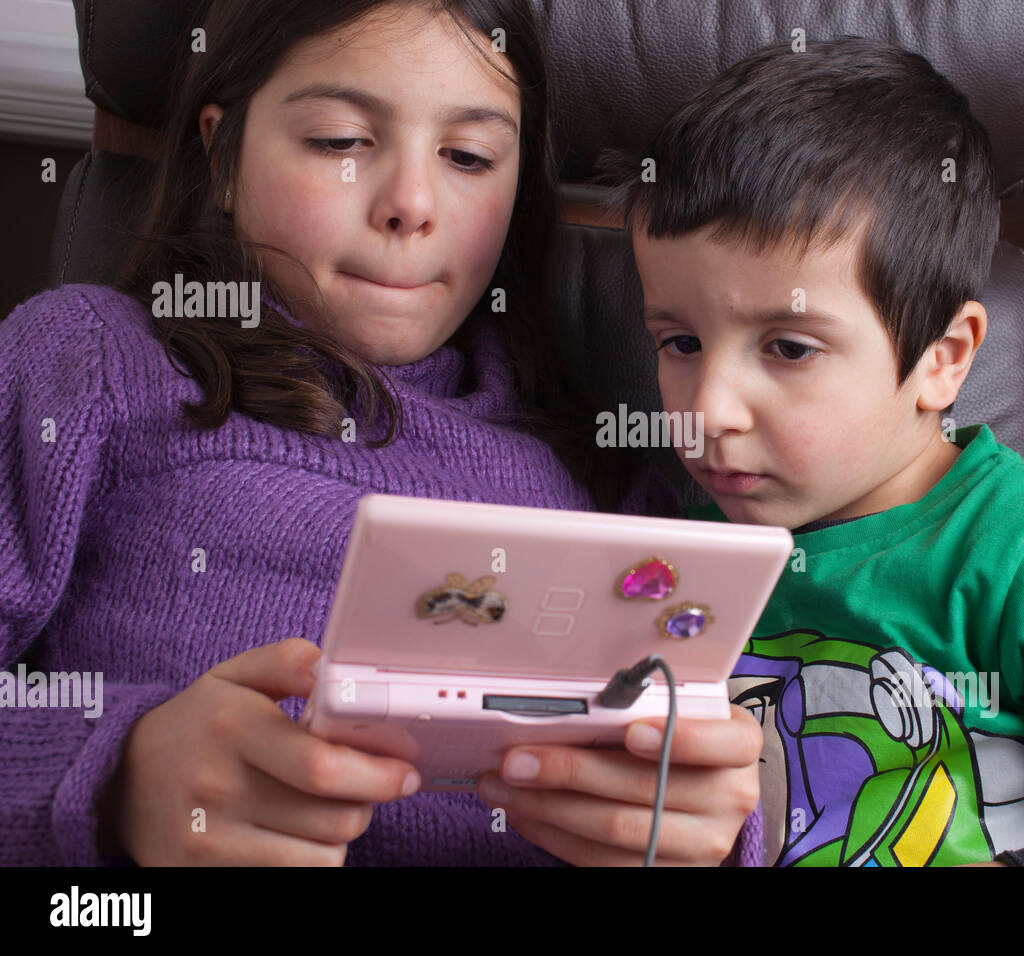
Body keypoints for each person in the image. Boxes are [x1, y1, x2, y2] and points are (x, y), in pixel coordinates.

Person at [0, 0, 763, 867]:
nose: (411, 203)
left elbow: (687, 768)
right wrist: (113, 782)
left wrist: (715, 830)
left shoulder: (600, 472)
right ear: (221, 156)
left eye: (469, 157)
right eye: (338, 141)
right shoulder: (88, 361)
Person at [604, 37, 1024, 865]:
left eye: (789, 349)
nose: (707, 411)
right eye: (680, 341)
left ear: (943, 356)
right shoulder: (677, 537)